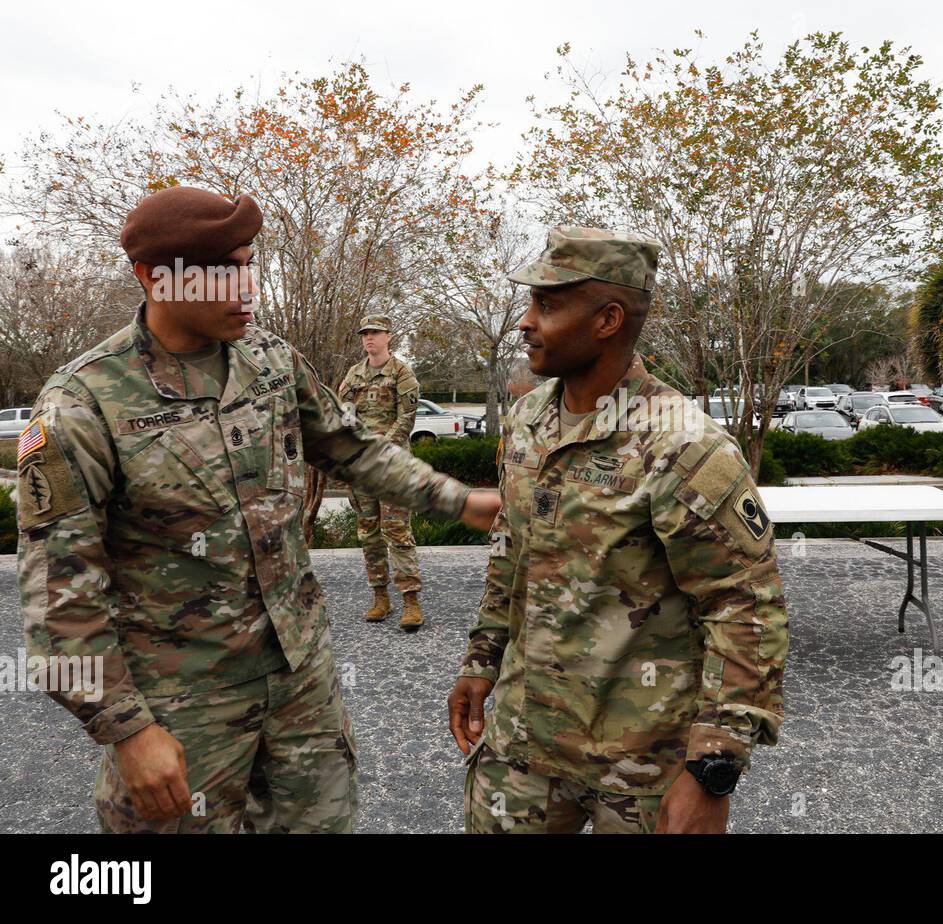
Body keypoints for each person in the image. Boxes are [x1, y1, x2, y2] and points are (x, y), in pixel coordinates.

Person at [16, 185, 500, 833]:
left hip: (302, 678)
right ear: (152, 278)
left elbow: (351, 449)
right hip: (182, 704)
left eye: (248, 265)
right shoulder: (83, 403)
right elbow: (59, 602)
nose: (247, 289)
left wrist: (459, 499)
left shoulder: (270, 362)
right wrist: (127, 730)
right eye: (222, 273)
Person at [447, 226, 789, 834]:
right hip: (523, 744)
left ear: (607, 320)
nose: (525, 322)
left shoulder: (682, 443)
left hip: (641, 764)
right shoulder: (527, 421)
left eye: (546, 305)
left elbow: (743, 606)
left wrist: (713, 771)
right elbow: (510, 555)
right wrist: (482, 660)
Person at [337, 316, 425, 630]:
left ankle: (410, 601)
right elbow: (344, 416)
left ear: (388, 336)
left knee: (397, 533)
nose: (369, 338)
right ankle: (380, 598)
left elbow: (406, 420)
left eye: (375, 333)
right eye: (365, 334)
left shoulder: (402, 373)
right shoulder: (354, 374)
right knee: (369, 534)